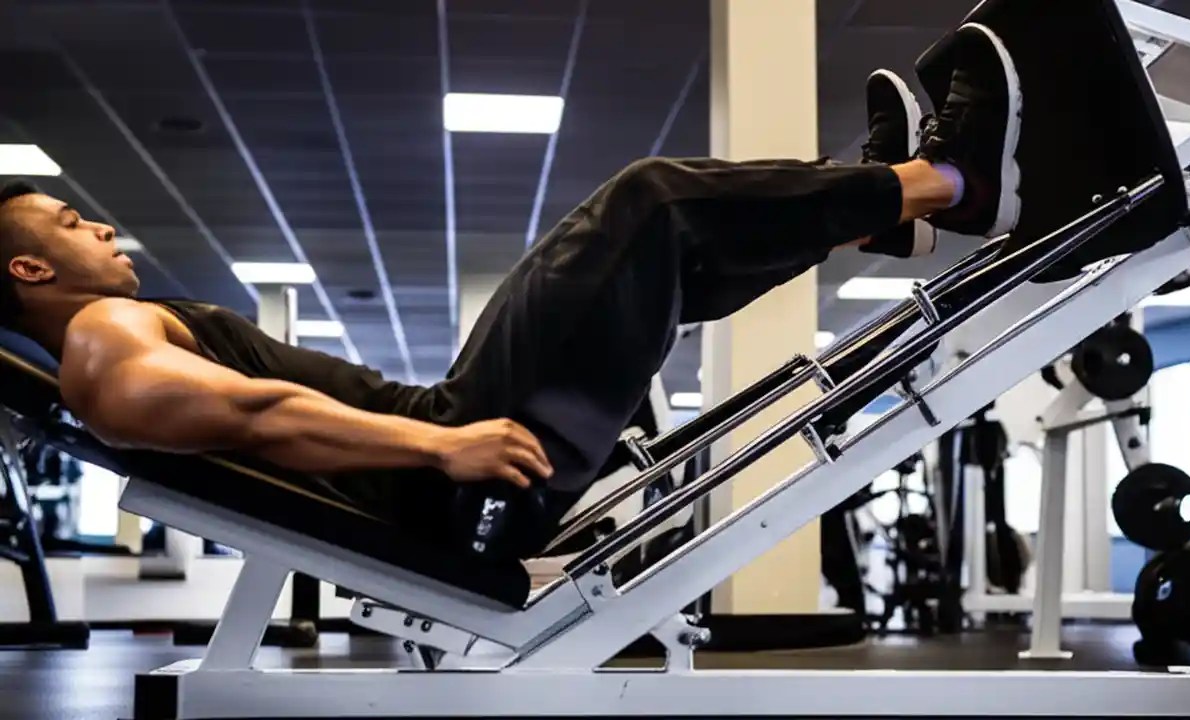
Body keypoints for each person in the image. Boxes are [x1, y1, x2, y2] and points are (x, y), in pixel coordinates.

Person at [0, 25, 1021, 560]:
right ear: (28, 272)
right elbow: (191, 408)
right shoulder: (100, 338)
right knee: (649, 201)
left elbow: (231, 412)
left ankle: (878, 215)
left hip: (444, 446)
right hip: (451, 461)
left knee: (669, 267)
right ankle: (945, 183)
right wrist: (443, 446)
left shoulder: (108, 324)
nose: (96, 225)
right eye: (66, 224)